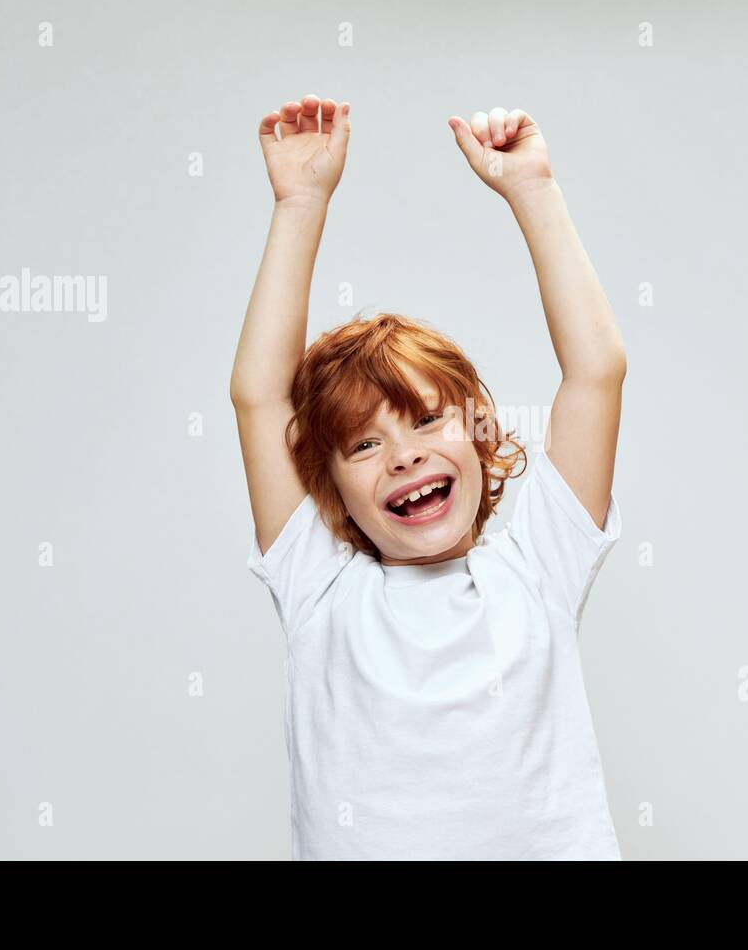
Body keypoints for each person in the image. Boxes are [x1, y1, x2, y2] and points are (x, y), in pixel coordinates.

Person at [230, 94, 628, 859]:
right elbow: (259, 396)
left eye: (424, 421)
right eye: (363, 447)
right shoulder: (320, 587)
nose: (405, 456)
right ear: (330, 491)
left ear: (480, 434)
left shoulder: (539, 566)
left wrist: (534, 191)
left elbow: (596, 371)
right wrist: (300, 203)